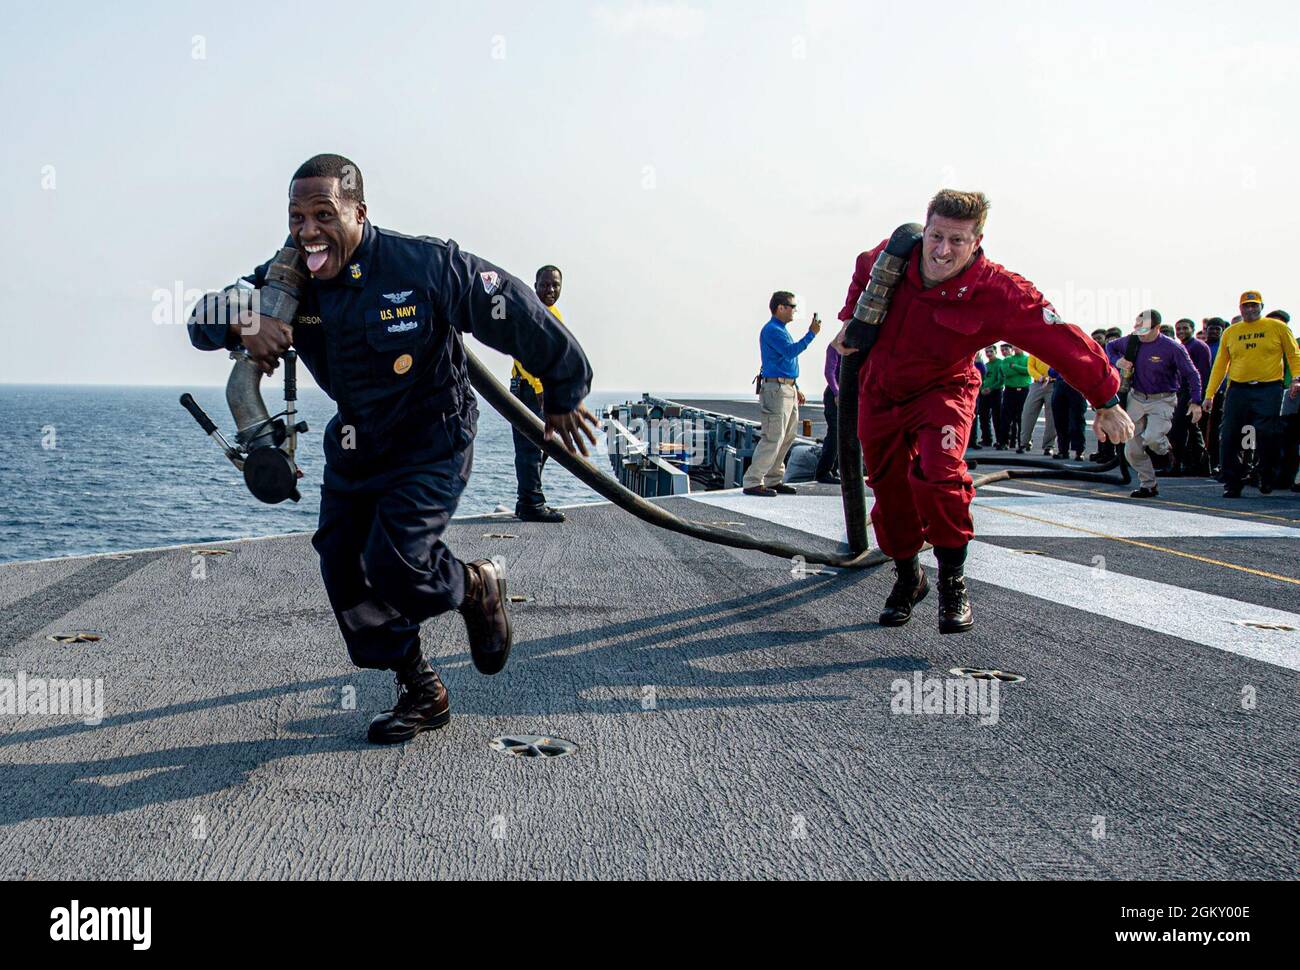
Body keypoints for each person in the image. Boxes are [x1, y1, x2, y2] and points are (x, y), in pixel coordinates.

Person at [187, 154, 597, 744]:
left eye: (323, 214)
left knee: (397, 563)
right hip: (358, 444)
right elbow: (199, 319)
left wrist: (562, 389)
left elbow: (512, 308)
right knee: (343, 566)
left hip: (433, 437)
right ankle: (420, 686)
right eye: (296, 216)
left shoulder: (424, 265)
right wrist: (242, 321)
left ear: (359, 212)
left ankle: (476, 585)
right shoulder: (288, 281)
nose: (307, 231)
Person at [831, 189, 1132, 634]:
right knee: (890, 490)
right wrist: (848, 320)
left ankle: (952, 579)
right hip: (880, 391)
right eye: (935, 236)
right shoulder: (891, 257)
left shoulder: (1000, 292)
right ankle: (908, 577)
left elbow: (1060, 339)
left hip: (943, 391)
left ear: (977, 240)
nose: (941, 250)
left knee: (940, 477)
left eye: (956, 240)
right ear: (925, 227)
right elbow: (862, 273)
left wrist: (1105, 400)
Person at [1202, 292, 1300, 497]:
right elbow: (1220, 364)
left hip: (1269, 388)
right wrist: (1209, 394)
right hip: (1238, 389)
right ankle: (1232, 482)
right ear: (1240, 309)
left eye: (1254, 306)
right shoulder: (1231, 332)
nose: (1250, 309)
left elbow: (1293, 353)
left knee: (1267, 434)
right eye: (1246, 306)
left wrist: (1297, 379)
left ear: (1261, 306)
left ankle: (1265, 475)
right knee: (1229, 435)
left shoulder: (1278, 328)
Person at [1105, 310, 1202, 498]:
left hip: (1162, 399)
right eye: (1136, 325)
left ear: (1157, 328)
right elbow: (1110, 348)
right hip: (1137, 397)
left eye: (1143, 327)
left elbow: (1192, 374)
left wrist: (1196, 401)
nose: (1138, 330)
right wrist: (1118, 361)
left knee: (1153, 438)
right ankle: (1148, 485)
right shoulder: (1130, 341)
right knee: (1131, 448)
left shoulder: (1173, 348)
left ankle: (1168, 451)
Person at [743, 293, 820, 496]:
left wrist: (796, 387)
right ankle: (753, 481)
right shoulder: (772, 330)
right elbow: (790, 352)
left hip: (786, 388)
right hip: (776, 390)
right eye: (791, 306)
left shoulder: (779, 330)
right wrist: (811, 334)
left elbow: (784, 362)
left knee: (786, 436)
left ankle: (773, 479)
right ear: (780, 307)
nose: (794, 309)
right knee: (773, 436)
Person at [510, 266, 568, 523]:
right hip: (527, 389)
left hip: (546, 390)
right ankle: (532, 503)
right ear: (535, 285)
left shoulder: (554, 313)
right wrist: (540, 389)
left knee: (543, 447)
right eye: (545, 285)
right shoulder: (529, 310)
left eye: (555, 285)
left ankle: (526, 500)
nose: (550, 290)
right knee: (530, 448)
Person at [1168, 318, 1212, 476]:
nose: (1181, 331)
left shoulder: (1199, 347)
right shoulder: (1181, 346)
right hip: (1180, 391)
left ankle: (1180, 465)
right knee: (1190, 430)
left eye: (1184, 328)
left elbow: (1203, 374)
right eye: (1178, 328)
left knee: (1180, 430)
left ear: (1192, 329)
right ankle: (1194, 465)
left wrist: (1197, 399)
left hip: (1191, 392)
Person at [814, 341, 842, 484]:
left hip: (849, 396)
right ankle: (823, 472)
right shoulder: (834, 346)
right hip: (834, 396)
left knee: (845, 435)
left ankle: (835, 469)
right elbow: (829, 372)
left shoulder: (857, 347)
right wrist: (837, 392)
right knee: (834, 433)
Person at [1019, 352, 1056, 455]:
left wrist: (1049, 377)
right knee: (1028, 413)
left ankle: (1049, 446)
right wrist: (1041, 377)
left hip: (1052, 384)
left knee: (1051, 416)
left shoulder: (1055, 350)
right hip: (1037, 384)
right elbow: (1030, 367)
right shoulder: (1034, 351)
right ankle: (1024, 442)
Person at [999, 344, 1031, 450]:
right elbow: (1007, 372)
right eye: (1014, 346)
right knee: (1006, 418)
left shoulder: (1028, 359)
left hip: (1024, 390)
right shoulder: (1007, 360)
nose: (1016, 348)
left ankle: (1023, 442)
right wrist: (1021, 370)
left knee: (1023, 417)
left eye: (1018, 346)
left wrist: (1015, 367)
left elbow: (1028, 371)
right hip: (1010, 391)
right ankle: (1004, 442)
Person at [976, 344, 1004, 447]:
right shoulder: (986, 365)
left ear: (995, 352)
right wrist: (982, 389)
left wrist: (991, 388)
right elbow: (982, 379)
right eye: (987, 352)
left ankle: (1000, 440)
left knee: (997, 417)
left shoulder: (1000, 363)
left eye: (991, 351)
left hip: (996, 392)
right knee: (983, 416)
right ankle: (986, 439)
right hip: (984, 393)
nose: (988, 354)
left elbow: (1001, 379)